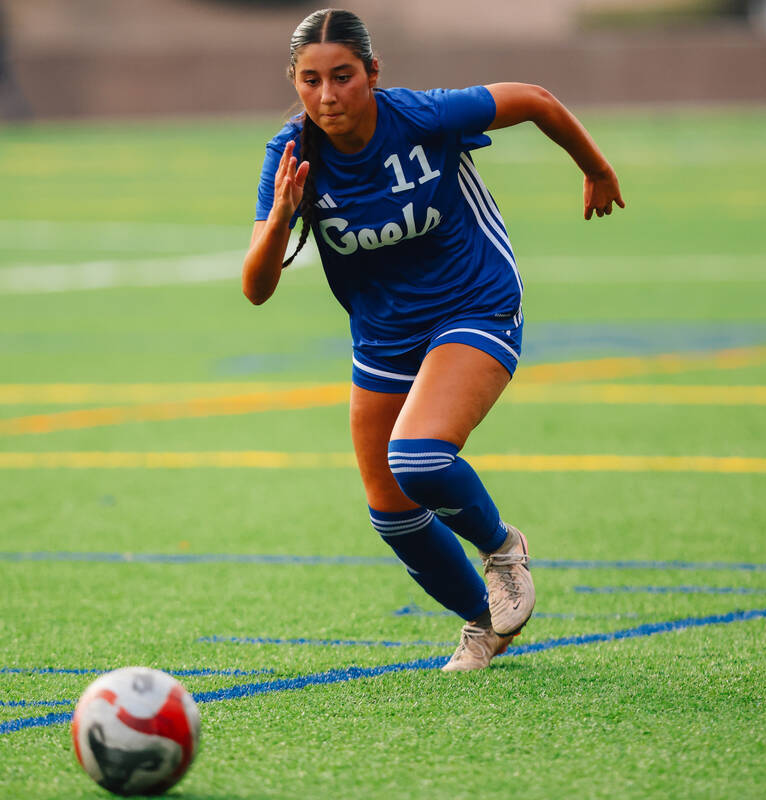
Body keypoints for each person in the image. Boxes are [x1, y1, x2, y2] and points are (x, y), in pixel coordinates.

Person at [242, 8, 624, 671]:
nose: (327, 96)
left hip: (474, 304)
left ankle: (502, 549)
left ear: (373, 72)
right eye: (310, 80)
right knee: (390, 512)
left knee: (417, 459)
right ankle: (482, 622)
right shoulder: (292, 154)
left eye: (343, 77)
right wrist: (279, 220)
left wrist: (594, 168)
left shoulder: (422, 117)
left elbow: (535, 100)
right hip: (385, 336)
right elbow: (256, 287)